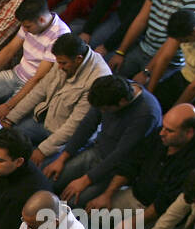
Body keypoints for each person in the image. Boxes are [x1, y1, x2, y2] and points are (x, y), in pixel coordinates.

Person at [47, 75, 163, 206]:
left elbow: (120, 154)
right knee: (49, 179)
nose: (102, 112)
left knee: (70, 202)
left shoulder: (146, 114)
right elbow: (88, 124)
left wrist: (85, 180)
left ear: (123, 101)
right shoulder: (107, 91)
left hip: (116, 170)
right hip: (97, 150)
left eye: (105, 109)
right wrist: (62, 157)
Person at [1, 33, 110, 163]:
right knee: (7, 142)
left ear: (78, 59)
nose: (59, 67)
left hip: (66, 136)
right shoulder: (64, 61)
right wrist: (10, 119)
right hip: (45, 120)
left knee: (37, 167)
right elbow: (38, 92)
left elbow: (74, 125)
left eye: (63, 63)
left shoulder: (97, 80)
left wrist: (43, 150)